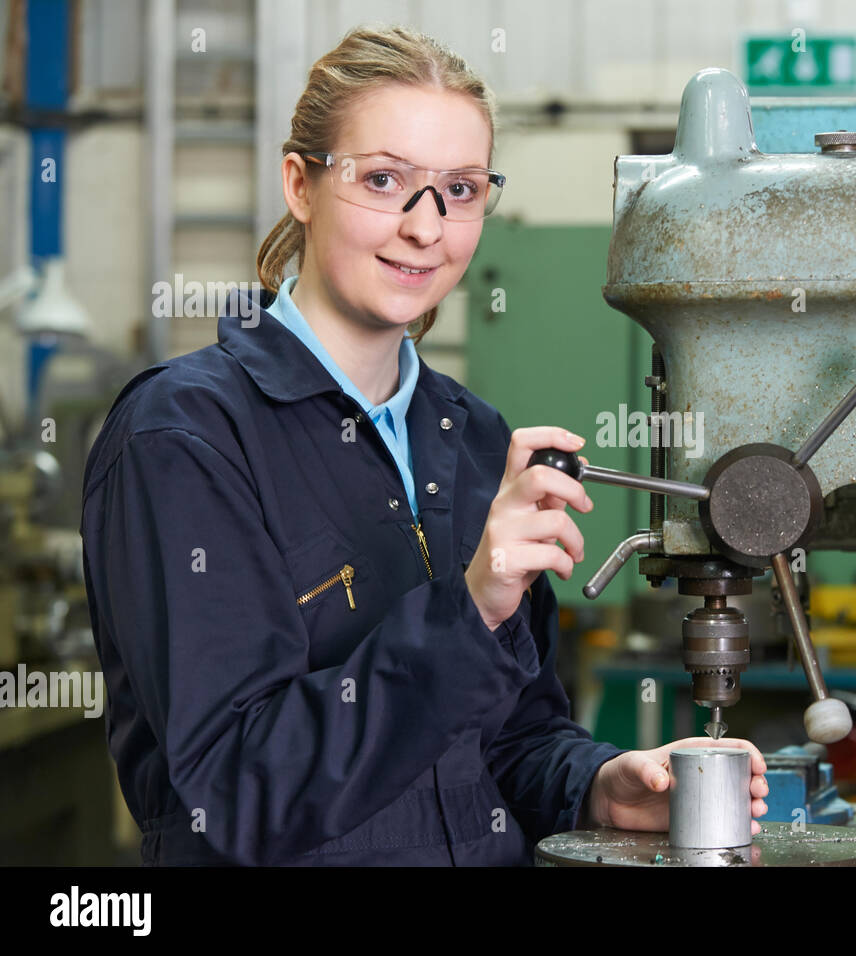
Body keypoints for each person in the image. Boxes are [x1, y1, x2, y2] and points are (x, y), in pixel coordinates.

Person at [79, 25, 767, 865]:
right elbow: (231, 793)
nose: (425, 227)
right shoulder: (185, 437)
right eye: (383, 180)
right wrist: (470, 608)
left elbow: (510, 739)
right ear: (300, 183)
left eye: (461, 189)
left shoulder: (475, 440)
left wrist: (597, 783)